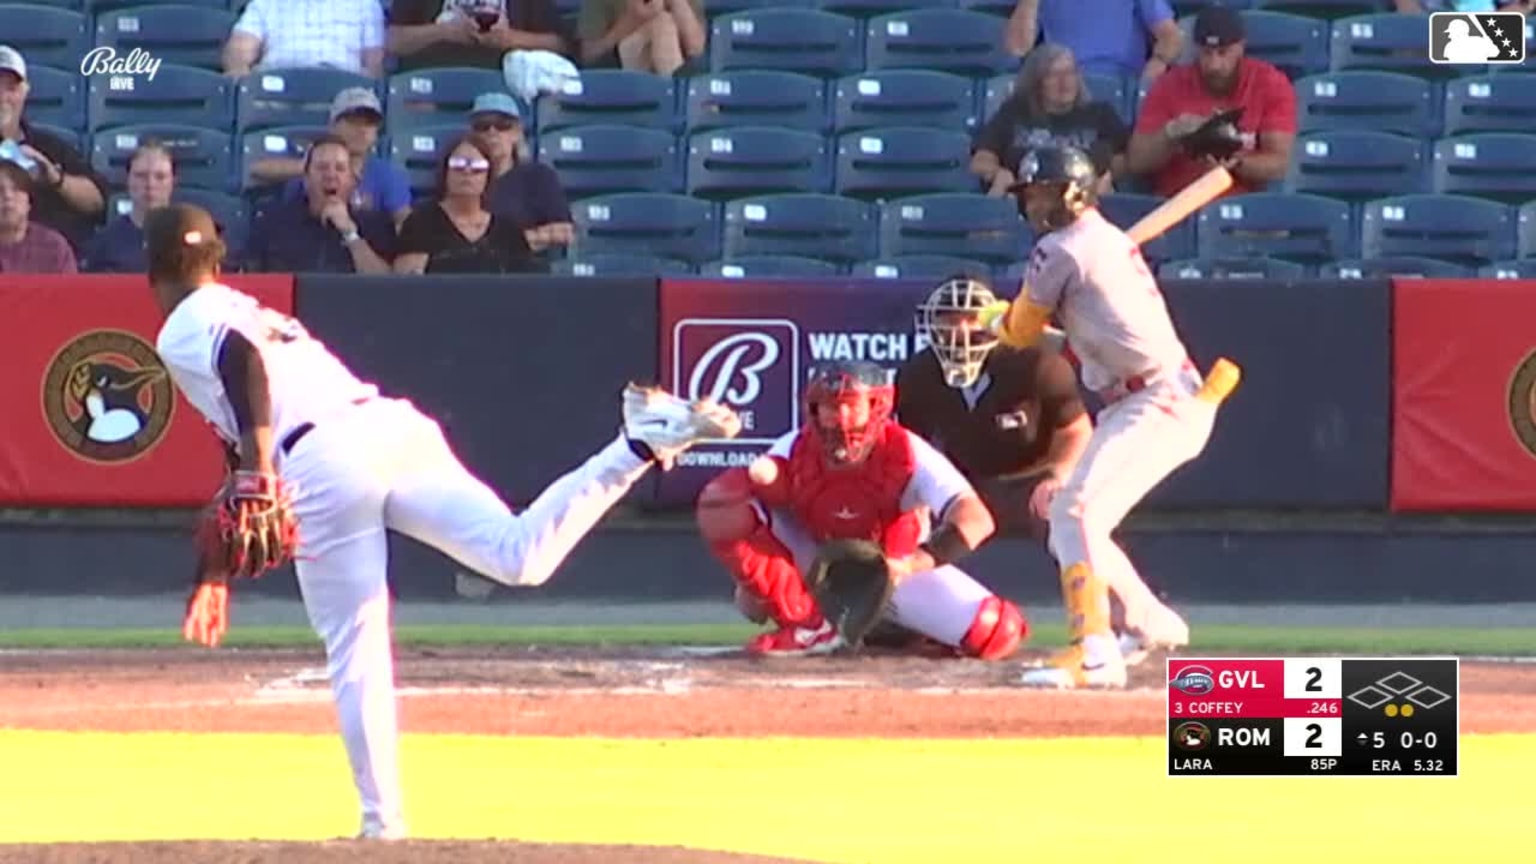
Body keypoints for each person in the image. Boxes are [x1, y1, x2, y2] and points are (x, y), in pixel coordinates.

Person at [149, 202, 741, 838]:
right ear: (220, 254)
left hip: (318, 459)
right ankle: (642, 444)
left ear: (150, 264)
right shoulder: (245, 303)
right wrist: (216, 566)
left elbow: (242, 364)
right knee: (518, 556)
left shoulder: (186, 323)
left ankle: (383, 828)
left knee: (357, 645)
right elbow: (241, 414)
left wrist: (259, 470)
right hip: (388, 426)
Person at [980, 144, 1240, 689]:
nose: (1035, 204)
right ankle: (1148, 620)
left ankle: (1094, 648)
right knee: (1070, 522)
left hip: (1159, 400)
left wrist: (1000, 321)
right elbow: (1069, 335)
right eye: (1032, 194)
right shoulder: (1097, 243)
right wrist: (1012, 322)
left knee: (1074, 513)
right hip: (1146, 399)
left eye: (1045, 192)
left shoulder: (1063, 249)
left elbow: (1022, 334)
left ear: (1074, 192)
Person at [896, 274, 1182, 666]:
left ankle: (1124, 619)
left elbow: (1077, 431)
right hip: (966, 485)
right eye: (948, 319)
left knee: (1069, 519)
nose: (959, 330)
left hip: (1034, 477)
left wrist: (1058, 477)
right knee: (906, 525)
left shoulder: (1033, 362)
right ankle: (907, 620)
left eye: (968, 318)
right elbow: (912, 449)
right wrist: (923, 501)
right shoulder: (918, 375)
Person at [695, 360, 1027, 661]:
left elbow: (976, 519)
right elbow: (742, 506)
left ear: (876, 406)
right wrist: (755, 583)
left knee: (996, 630)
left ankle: (897, 629)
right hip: (818, 566)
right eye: (828, 407)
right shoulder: (792, 448)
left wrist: (910, 564)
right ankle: (807, 626)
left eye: (850, 407)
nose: (838, 419)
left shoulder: (910, 453)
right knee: (723, 499)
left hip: (890, 569)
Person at [1126, 6, 1296, 199]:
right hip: (1178, 204)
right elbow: (1136, 162)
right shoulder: (1170, 84)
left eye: (1223, 53)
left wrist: (1235, 161)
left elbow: (1281, 163)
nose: (1214, 65)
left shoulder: (1269, 83)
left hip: (1245, 211)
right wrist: (1171, 132)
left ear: (1240, 46)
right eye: (1207, 53)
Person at [971, 44, 1130, 198]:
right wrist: (997, 173)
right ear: (1036, 82)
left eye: (1070, 73)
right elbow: (981, 159)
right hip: (1027, 202)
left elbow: (1125, 159)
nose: (1064, 81)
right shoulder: (1013, 112)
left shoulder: (1101, 114)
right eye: (1053, 75)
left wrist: (1108, 176)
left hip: (1084, 202)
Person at [248, 88, 412, 228]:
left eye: (369, 124)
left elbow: (405, 223)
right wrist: (314, 167)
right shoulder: (309, 162)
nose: (362, 130)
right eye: (353, 122)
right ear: (333, 125)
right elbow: (257, 169)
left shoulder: (387, 175)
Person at [0, 44, 109, 254]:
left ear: (25, 92)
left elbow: (98, 202)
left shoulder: (50, 147)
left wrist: (56, 179)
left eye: (11, 88)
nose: (2, 97)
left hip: (48, 269)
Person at [244, 134, 397, 274]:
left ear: (352, 181)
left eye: (340, 168)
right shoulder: (273, 222)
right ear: (306, 178)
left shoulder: (374, 225)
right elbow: (250, 281)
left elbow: (385, 289)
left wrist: (351, 235)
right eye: (322, 167)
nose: (331, 175)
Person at [393, 135, 545, 274]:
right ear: (446, 172)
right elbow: (406, 281)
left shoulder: (508, 230)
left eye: (478, 167)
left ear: (488, 175)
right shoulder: (420, 223)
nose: (467, 172)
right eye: (458, 165)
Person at [468, 92, 572, 253]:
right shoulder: (462, 177)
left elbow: (564, 232)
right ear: (473, 135)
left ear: (516, 132)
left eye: (503, 125)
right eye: (482, 126)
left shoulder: (538, 177)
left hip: (526, 269)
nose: (492, 132)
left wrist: (508, 243)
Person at [1003, 0, 1183, 80]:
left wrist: (1157, 63)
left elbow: (1171, 37)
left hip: (1121, 81)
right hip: (1061, 83)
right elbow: (1018, 49)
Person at [81, 142, 175, 273]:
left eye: (160, 177)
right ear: (128, 180)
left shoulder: (193, 235)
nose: (150, 184)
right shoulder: (104, 242)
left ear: (173, 181)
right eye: (140, 176)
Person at [578, 0, 707, 76]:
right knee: (661, 24)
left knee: (663, 23)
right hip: (621, 66)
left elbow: (696, 48)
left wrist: (676, 3)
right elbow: (589, 55)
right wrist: (630, 22)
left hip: (677, 62)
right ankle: (674, 97)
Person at [0, 160, 77, 273]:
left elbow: (71, 290)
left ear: (29, 202)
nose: (8, 196)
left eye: (16, 189)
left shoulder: (54, 247)